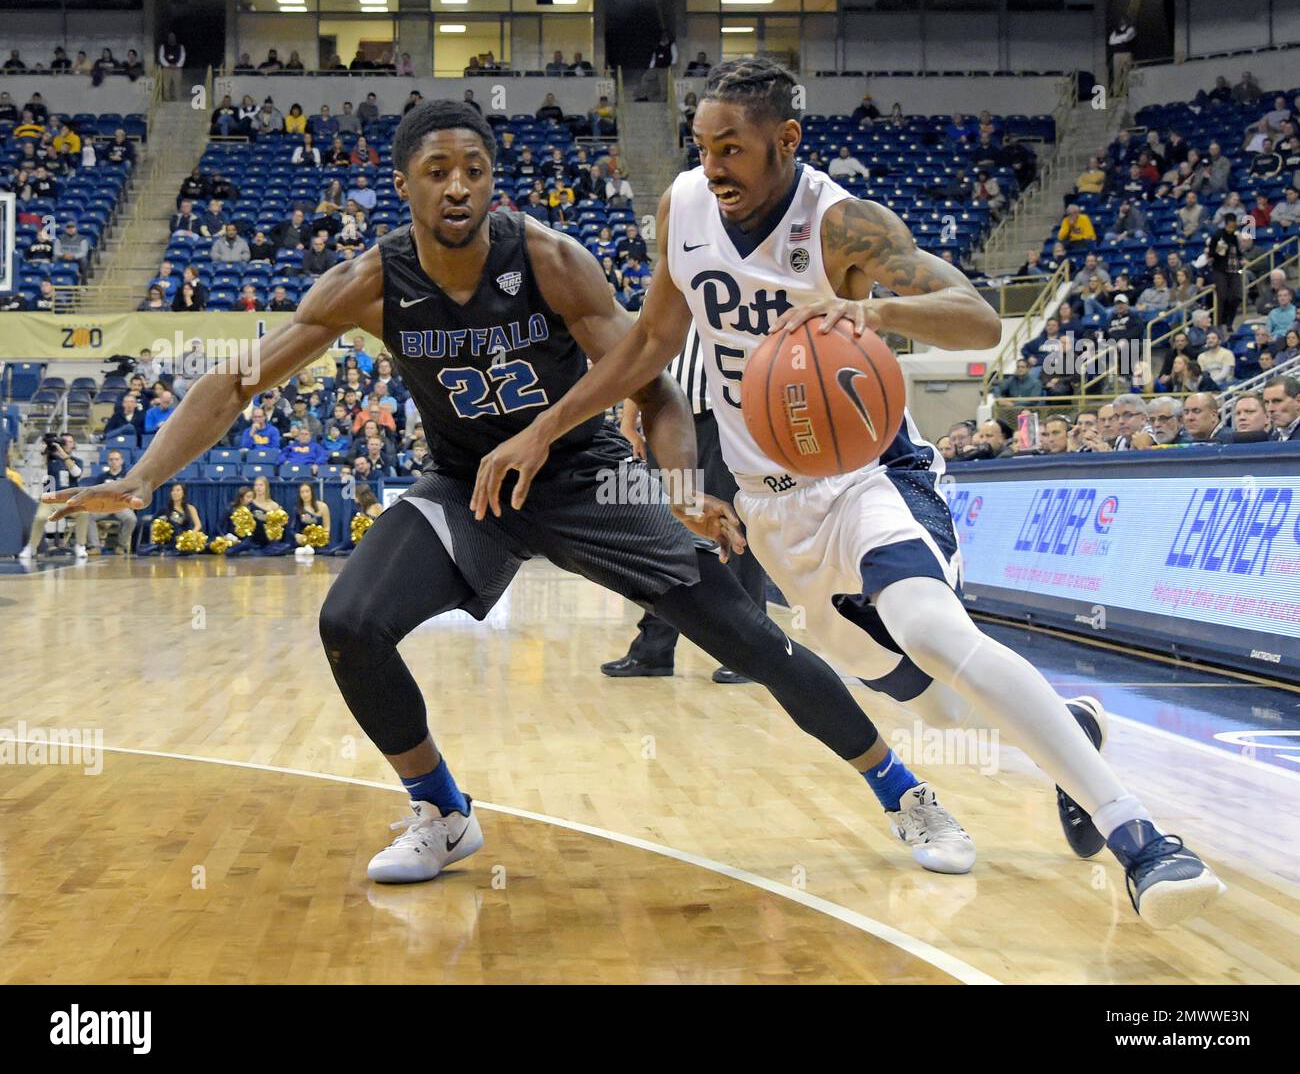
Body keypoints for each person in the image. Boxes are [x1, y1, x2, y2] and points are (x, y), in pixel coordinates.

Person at [46, 98, 983, 889]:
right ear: (404, 183)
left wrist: (685, 488)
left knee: (748, 637)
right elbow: (239, 381)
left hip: (582, 475)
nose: (459, 186)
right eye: (437, 171)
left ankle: (904, 790)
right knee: (351, 622)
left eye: (475, 170)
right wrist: (141, 476)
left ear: (494, 179)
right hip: (468, 486)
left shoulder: (548, 257)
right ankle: (443, 811)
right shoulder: (369, 282)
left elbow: (652, 386)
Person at [468, 61, 1223, 928]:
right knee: (924, 694)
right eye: (704, 146)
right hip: (773, 509)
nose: (714, 165)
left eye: (734, 148)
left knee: (932, 626)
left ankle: (1142, 838)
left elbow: (976, 317)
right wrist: (544, 428)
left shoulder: (842, 225)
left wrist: (871, 317)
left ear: (787, 142)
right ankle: (1069, 735)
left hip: (869, 475)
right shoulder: (682, 207)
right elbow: (648, 346)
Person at [601, 324, 768, 685]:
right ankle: (653, 650)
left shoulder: (729, 288)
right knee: (665, 536)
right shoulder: (667, 292)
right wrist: (629, 422)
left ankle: (752, 651)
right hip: (667, 424)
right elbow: (647, 358)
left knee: (732, 531)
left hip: (726, 425)